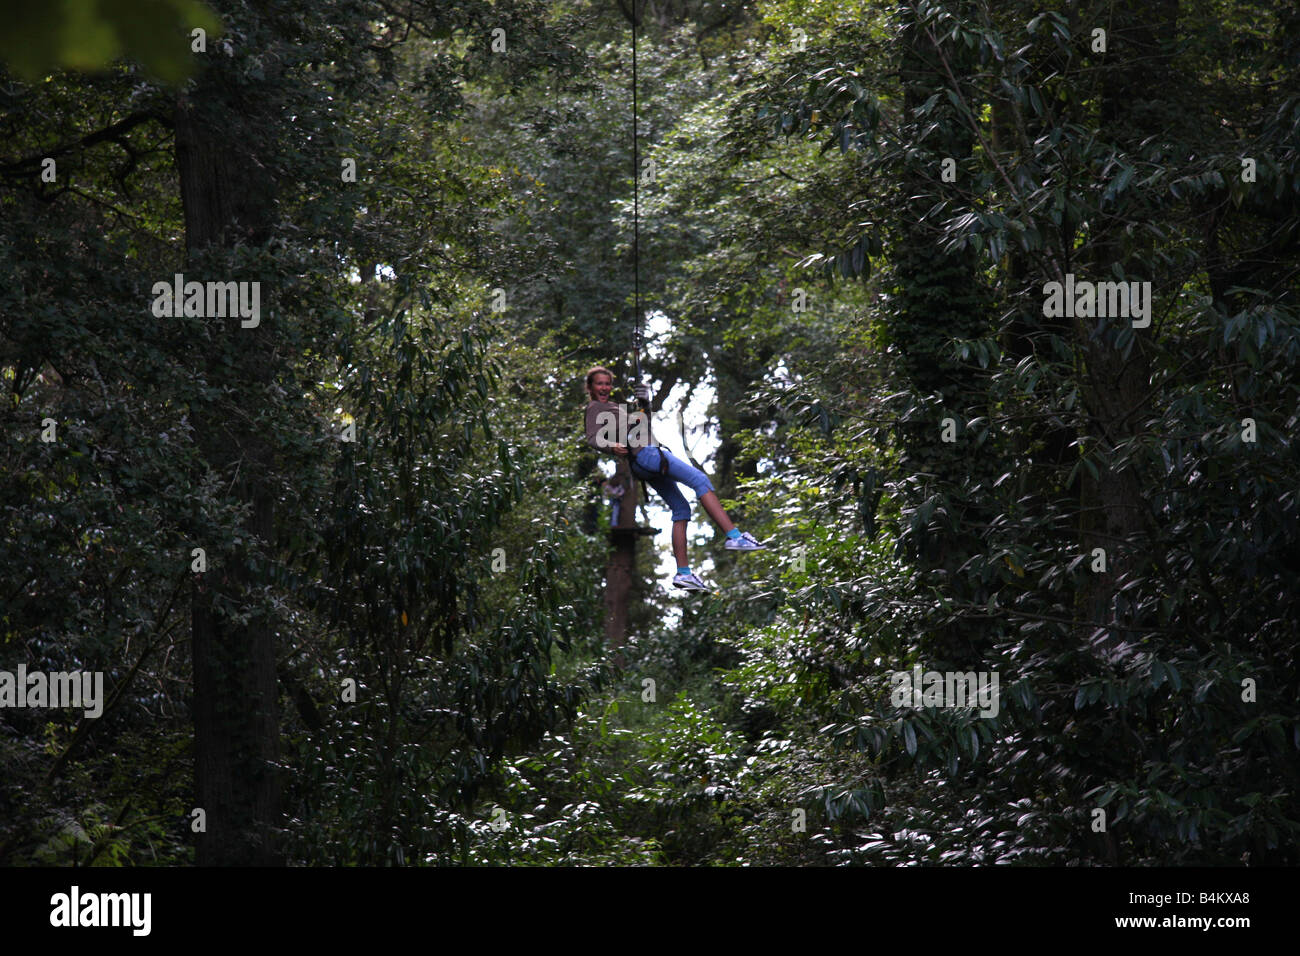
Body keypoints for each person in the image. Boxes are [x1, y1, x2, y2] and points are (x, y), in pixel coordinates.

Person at [583, 365, 765, 591]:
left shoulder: (612, 408)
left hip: (642, 462)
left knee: (681, 509)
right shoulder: (594, 408)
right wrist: (611, 447)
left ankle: (684, 573)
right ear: (590, 387)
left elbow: (641, 424)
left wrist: (645, 403)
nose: (604, 387)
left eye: (607, 383)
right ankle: (734, 536)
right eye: (599, 383)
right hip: (647, 455)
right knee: (700, 481)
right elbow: (591, 437)